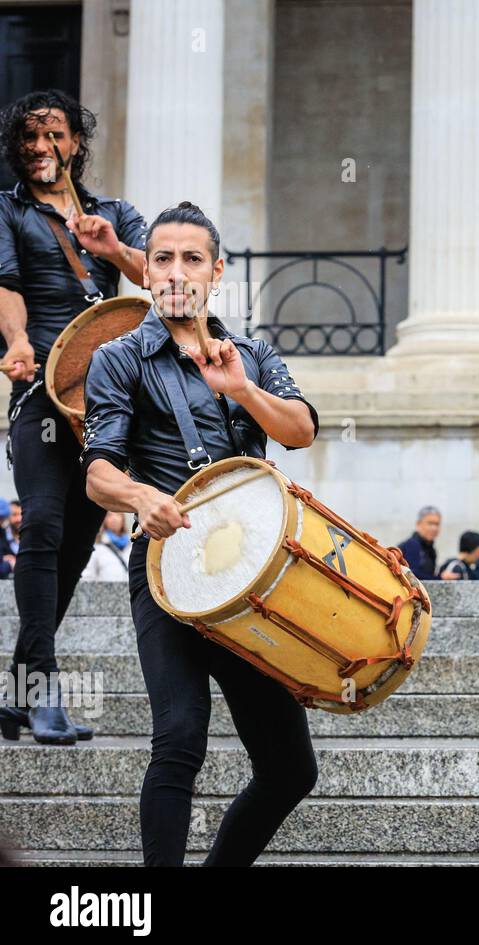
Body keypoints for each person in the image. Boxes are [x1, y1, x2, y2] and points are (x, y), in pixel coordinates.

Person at [82, 202, 320, 865]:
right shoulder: (118, 359)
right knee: (180, 738)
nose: (176, 272)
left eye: (192, 259)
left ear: (216, 272)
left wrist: (243, 391)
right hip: (168, 572)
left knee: (291, 769)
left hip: (253, 577)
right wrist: (139, 496)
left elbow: (299, 430)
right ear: (145, 272)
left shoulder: (253, 355)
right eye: (162, 259)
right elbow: (97, 471)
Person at [0, 90, 147, 745]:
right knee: (44, 525)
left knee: (76, 543)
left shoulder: (114, 213)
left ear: (76, 144)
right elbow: (5, 286)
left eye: (53, 135)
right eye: (29, 137)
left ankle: (15, 692)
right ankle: (45, 690)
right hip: (41, 393)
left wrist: (113, 249)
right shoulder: (8, 211)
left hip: (105, 401)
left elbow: (158, 279)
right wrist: (17, 342)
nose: (41, 147)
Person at [81, 512, 131, 582]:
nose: (114, 519)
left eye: (118, 514)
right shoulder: (97, 548)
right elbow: (87, 578)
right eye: (110, 515)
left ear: (123, 519)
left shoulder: (132, 546)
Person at [398, 505, 441, 580]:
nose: (434, 528)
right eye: (430, 523)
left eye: (437, 524)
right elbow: (412, 577)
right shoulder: (412, 545)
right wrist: (440, 578)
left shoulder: (431, 550)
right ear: (418, 524)